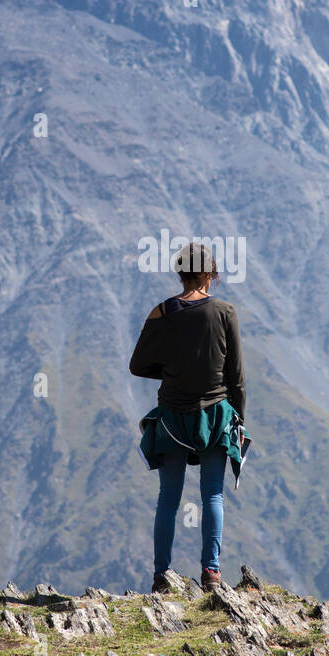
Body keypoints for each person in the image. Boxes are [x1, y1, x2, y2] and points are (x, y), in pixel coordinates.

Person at [129, 242, 250, 593]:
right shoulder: (226, 312)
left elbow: (137, 366)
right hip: (215, 414)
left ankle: (161, 576)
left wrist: (172, 373)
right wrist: (238, 420)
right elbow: (237, 376)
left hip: (171, 417)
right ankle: (212, 573)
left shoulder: (161, 312)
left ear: (181, 274)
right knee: (213, 494)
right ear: (210, 275)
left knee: (169, 496)